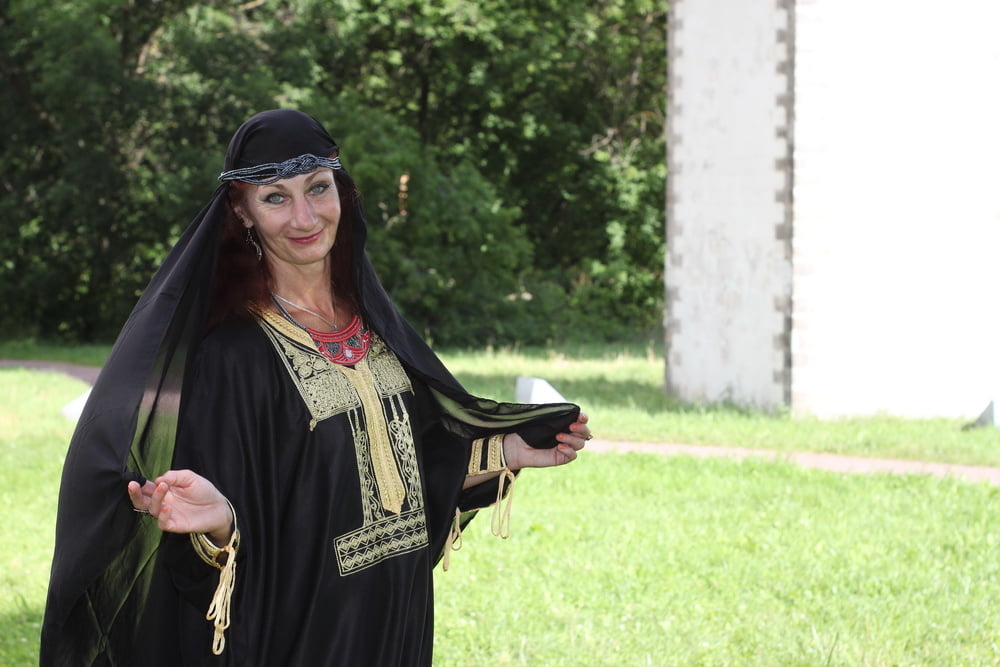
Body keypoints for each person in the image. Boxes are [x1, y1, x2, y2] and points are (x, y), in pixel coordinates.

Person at [40, 109, 591, 666]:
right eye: (275, 197)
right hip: (302, 635)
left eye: (318, 188)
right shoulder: (233, 356)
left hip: (396, 622)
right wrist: (221, 520)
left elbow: (406, 481)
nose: (304, 216)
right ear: (242, 210)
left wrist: (508, 451)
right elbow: (237, 528)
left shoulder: (376, 326)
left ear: (341, 191)